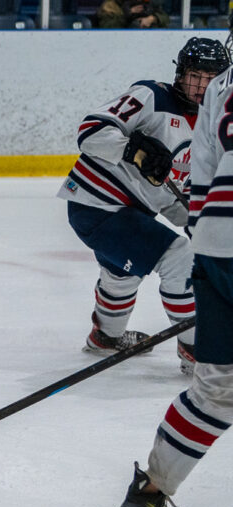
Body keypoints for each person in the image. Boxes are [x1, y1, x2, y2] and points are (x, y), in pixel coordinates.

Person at [107, 54, 233, 507]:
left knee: (218, 387)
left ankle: (149, 498)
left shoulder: (221, 85)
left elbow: (201, 177)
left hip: (217, 242)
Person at [57, 37, 230, 372]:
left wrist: (204, 227)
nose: (201, 86)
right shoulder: (152, 96)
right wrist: (134, 149)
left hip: (128, 214)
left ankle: (105, 338)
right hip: (96, 205)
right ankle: (198, 352)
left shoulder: (208, 128)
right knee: (180, 257)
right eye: (195, 75)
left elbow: (173, 195)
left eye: (211, 79)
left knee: (121, 272)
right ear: (180, 74)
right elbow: (90, 132)